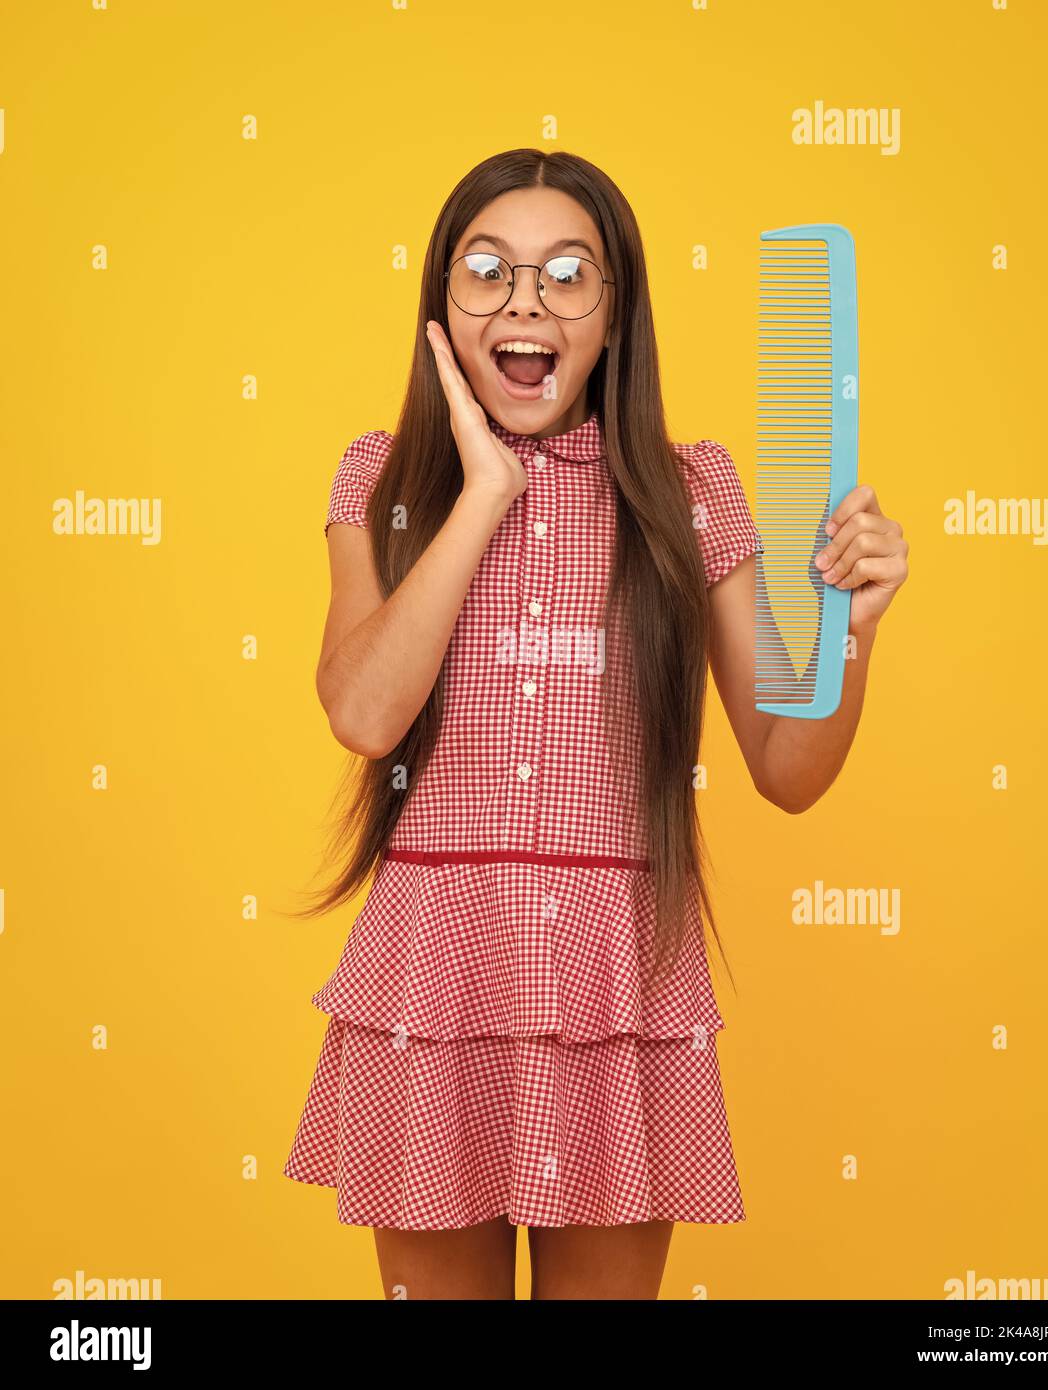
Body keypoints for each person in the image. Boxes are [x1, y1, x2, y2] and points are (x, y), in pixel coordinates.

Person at [282, 148, 909, 1300]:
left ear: (615, 317)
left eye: (567, 275)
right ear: (441, 308)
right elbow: (365, 714)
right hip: (436, 968)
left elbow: (787, 765)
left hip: (615, 974)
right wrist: (484, 491)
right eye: (489, 273)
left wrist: (854, 628)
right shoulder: (384, 479)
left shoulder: (691, 490)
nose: (525, 303)